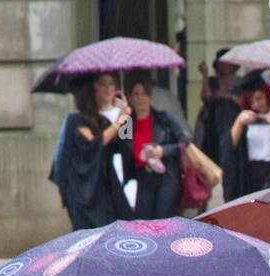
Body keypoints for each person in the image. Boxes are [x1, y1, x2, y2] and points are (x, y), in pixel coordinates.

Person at [51, 73, 132, 229]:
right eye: (100, 86)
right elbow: (95, 143)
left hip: (105, 192)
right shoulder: (75, 121)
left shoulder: (103, 121)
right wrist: (118, 122)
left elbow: (124, 144)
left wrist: (126, 119)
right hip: (83, 194)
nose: (105, 90)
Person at [120, 72, 188, 219]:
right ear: (130, 97)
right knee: (142, 223)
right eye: (136, 94)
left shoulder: (163, 118)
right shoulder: (127, 123)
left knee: (163, 221)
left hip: (165, 176)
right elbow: (121, 149)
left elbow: (184, 142)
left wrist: (162, 151)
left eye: (144, 93)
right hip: (141, 177)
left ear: (150, 96)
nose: (140, 98)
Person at [221, 78, 270, 201]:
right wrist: (238, 122)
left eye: (259, 98)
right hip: (250, 176)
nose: (256, 105)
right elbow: (229, 149)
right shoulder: (244, 123)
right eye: (251, 101)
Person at [193, 48, 240, 178]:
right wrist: (204, 75)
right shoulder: (213, 81)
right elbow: (205, 97)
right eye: (221, 63)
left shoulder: (240, 81)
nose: (224, 66)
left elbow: (243, 101)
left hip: (232, 120)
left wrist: (227, 96)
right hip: (213, 123)